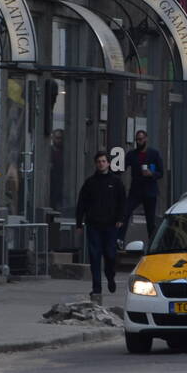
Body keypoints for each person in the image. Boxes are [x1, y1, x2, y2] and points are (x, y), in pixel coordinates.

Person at [76, 151, 126, 303]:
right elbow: (81, 203)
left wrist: (120, 219)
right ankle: (96, 288)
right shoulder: (90, 183)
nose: (101, 164)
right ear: (95, 164)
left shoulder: (116, 182)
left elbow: (122, 202)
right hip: (94, 226)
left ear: (108, 163)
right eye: (98, 161)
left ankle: (110, 276)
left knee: (110, 255)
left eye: (104, 161)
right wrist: (79, 222)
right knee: (94, 256)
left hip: (111, 226)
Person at [122, 129, 164, 247]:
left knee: (150, 220)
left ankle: (153, 244)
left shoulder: (154, 154)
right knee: (125, 213)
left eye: (141, 139)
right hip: (135, 190)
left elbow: (161, 172)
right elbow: (123, 167)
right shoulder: (131, 154)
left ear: (146, 139)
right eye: (137, 140)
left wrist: (152, 174)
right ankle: (120, 239)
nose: (139, 142)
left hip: (150, 191)